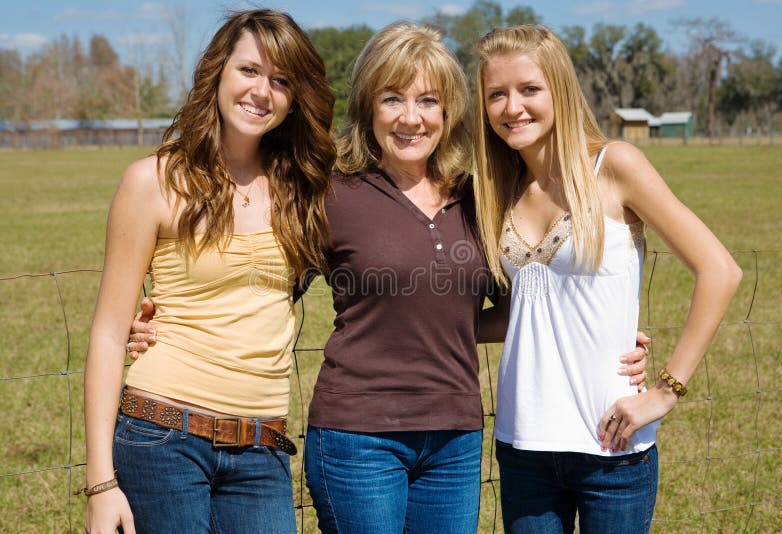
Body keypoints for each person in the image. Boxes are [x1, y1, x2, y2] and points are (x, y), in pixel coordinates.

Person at [126, 21, 650, 534]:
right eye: (392, 99)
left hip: (455, 439)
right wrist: (152, 322)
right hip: (358, 438)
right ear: (368, 109)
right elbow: (261, 280)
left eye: (428, 101)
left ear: (449, 111)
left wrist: (604, 336)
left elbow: (529, 302)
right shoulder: (330, 194)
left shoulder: (480, 199)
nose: (410, 118)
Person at [473, 24, 742, 533]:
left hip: (612, 444)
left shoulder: (613, 166)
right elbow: (523, 314)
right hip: (523, 444)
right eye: (496, 94)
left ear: (560, 90)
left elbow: (720, 270)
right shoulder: (498, 189)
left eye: (529, 89)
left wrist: (666, 390)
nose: (512, 107)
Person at [80, 9, 335, 533]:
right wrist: (101, 483)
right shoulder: (152, 182)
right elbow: (109, 333)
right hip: (162, 437)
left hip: (264, 448)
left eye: (281, 80)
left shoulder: (305, 189)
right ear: (217, 72)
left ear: (294, 100)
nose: (262, 91)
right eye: (249, 70)